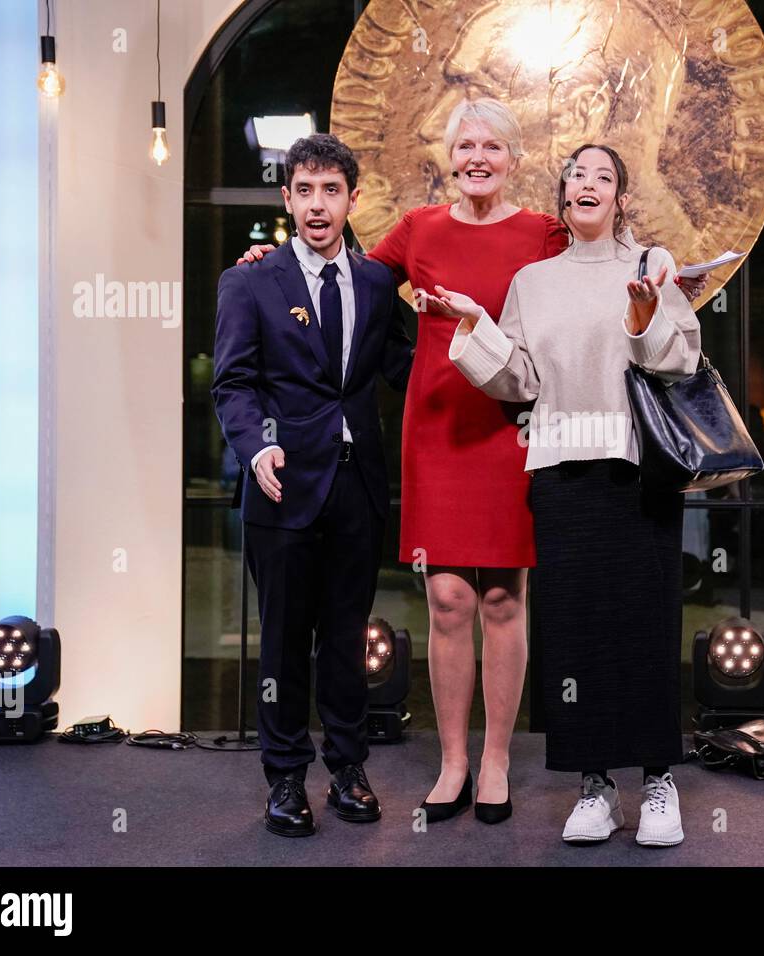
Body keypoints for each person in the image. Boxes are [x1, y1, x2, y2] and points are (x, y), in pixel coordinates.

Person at [237, 99, 705, 826]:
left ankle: (496, 761)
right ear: (448, 158)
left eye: (492, 145)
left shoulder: (545, 232)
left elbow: (606, 250)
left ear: (513, 159)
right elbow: (344, 274)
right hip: (437, 427)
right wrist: (269, 260)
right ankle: (453, 761)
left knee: (502, 599)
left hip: (519, 430)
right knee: (449, 600)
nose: (478, 156)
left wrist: (659, 259)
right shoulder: (418, 229)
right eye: (465, 145)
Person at [430, 143, 700, 847]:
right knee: (577, 629)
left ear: (618, 198)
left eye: (602, 176)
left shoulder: (650, 267)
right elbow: (518, 379)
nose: (587, 183)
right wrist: (473, 323)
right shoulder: (533, 280)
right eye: (577, 175)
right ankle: (595, 786)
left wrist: (643, 318)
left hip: (638, 467)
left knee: (644, 623)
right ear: (564, 195)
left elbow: (686, 359)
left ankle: (658, 782)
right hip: (559, 469)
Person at [211, 133, 414, 836]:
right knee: (283, 642)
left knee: (348, 640)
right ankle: (286, 779)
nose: (318, 205)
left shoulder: (382, 285)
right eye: (305, 190)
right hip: (282, 488)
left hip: (358, 490)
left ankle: (349, 769)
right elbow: (233, 382)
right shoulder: (249, 280)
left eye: (332, 191)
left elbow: (413, 369)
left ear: (352, 200)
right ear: (287, 198)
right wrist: (256, 447)